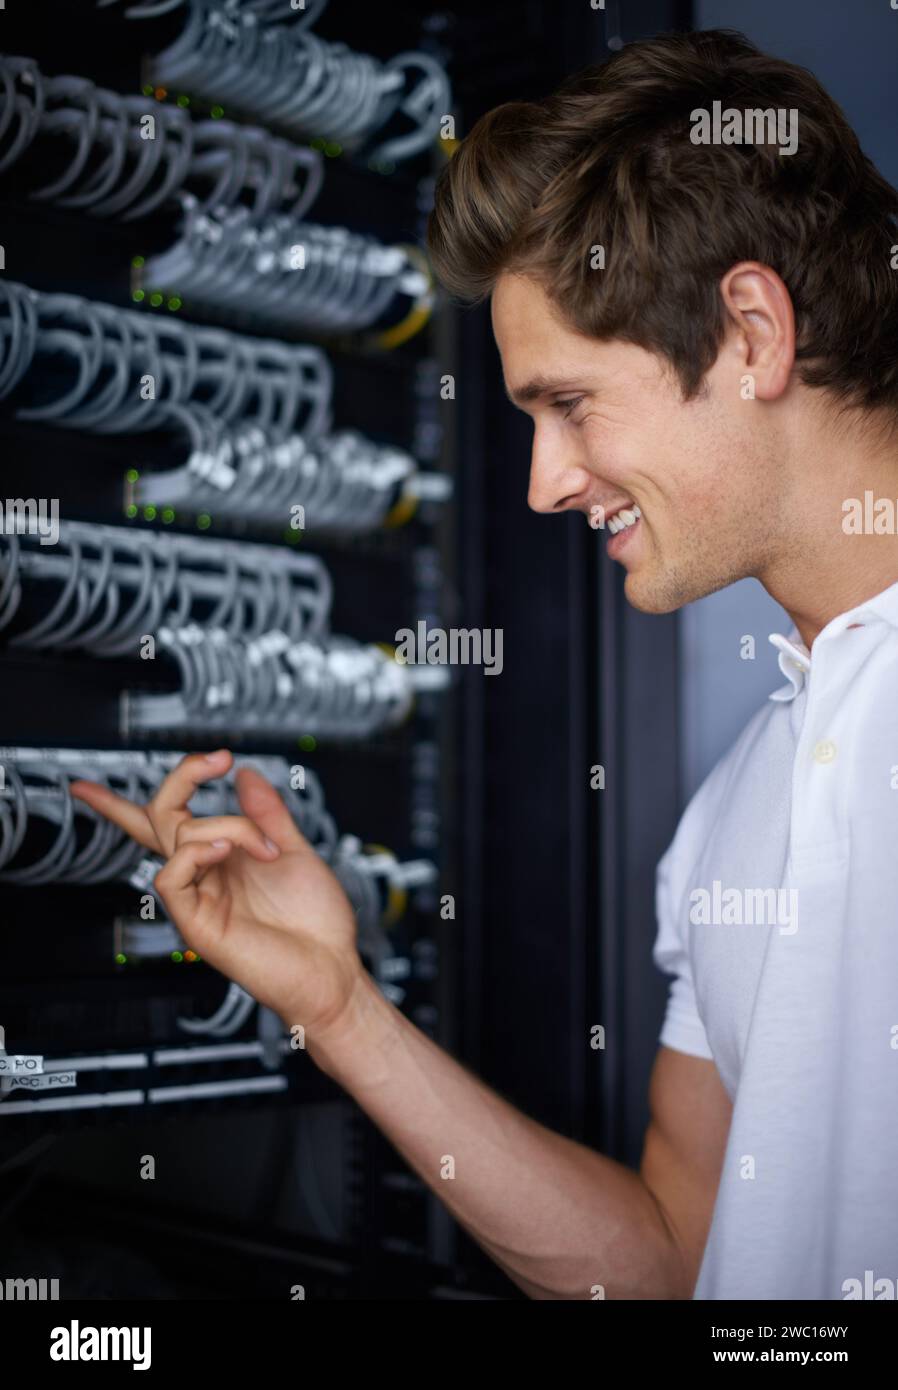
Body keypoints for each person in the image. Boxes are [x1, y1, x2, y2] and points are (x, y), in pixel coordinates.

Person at [72, 29, 898, 1300]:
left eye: (569, 405)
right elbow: (672, 1262)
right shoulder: (728, 823)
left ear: (748, 332)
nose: (545, 482)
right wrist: (342, 1009)